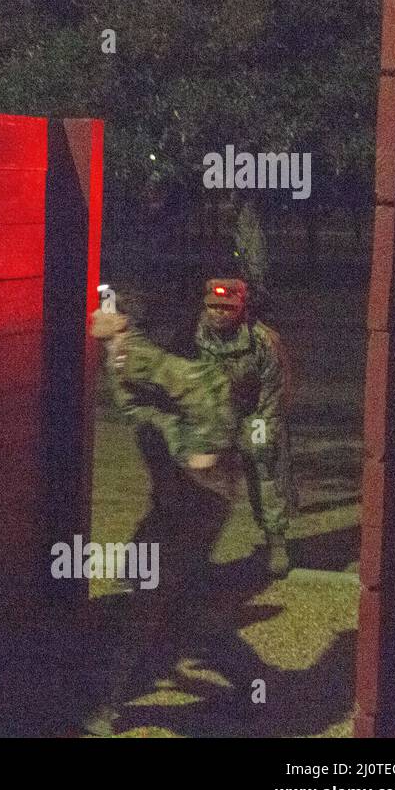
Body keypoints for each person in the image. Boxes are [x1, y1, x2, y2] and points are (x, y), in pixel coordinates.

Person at [83, 293, 240, 735]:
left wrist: (203, 450)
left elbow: (202, 386)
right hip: (180, 499)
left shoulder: (144, 353)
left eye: (106, 308)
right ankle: (253, 684)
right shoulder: (125, 355)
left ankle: (105, 710)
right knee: (178, 599)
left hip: (194, 499)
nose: (98, 314)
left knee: (148, 599)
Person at [194, 277, 296, 576]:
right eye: (213, 306)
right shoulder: (195, 334)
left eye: (227, 307)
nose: (219, 313)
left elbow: (275, 387)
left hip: (254, 410)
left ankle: (275, 541)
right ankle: (196, 549)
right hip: (213, 410)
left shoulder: (263, 340)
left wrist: (262, 427)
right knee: (203, 480)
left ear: (241, 308)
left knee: (264, 470)